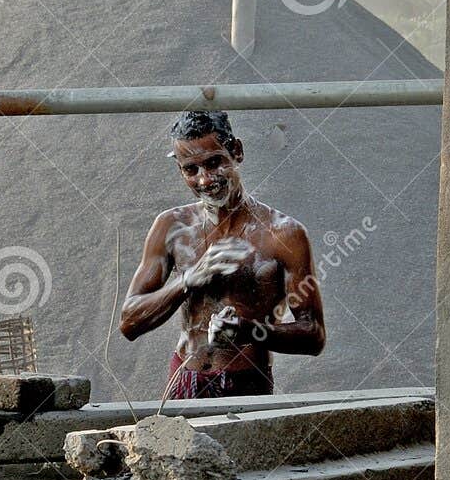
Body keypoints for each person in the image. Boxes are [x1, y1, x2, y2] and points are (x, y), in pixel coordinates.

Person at [118, 109, 325, 399]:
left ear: (236, 152)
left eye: (214, 163)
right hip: (184, 378)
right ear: (180, 169)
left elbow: (314, 335)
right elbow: (129, 323)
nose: (205, 180)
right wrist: (188, 280)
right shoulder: (171, 226)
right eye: (191, 170)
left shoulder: (284, 234)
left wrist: (247, 330)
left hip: (247, 383)